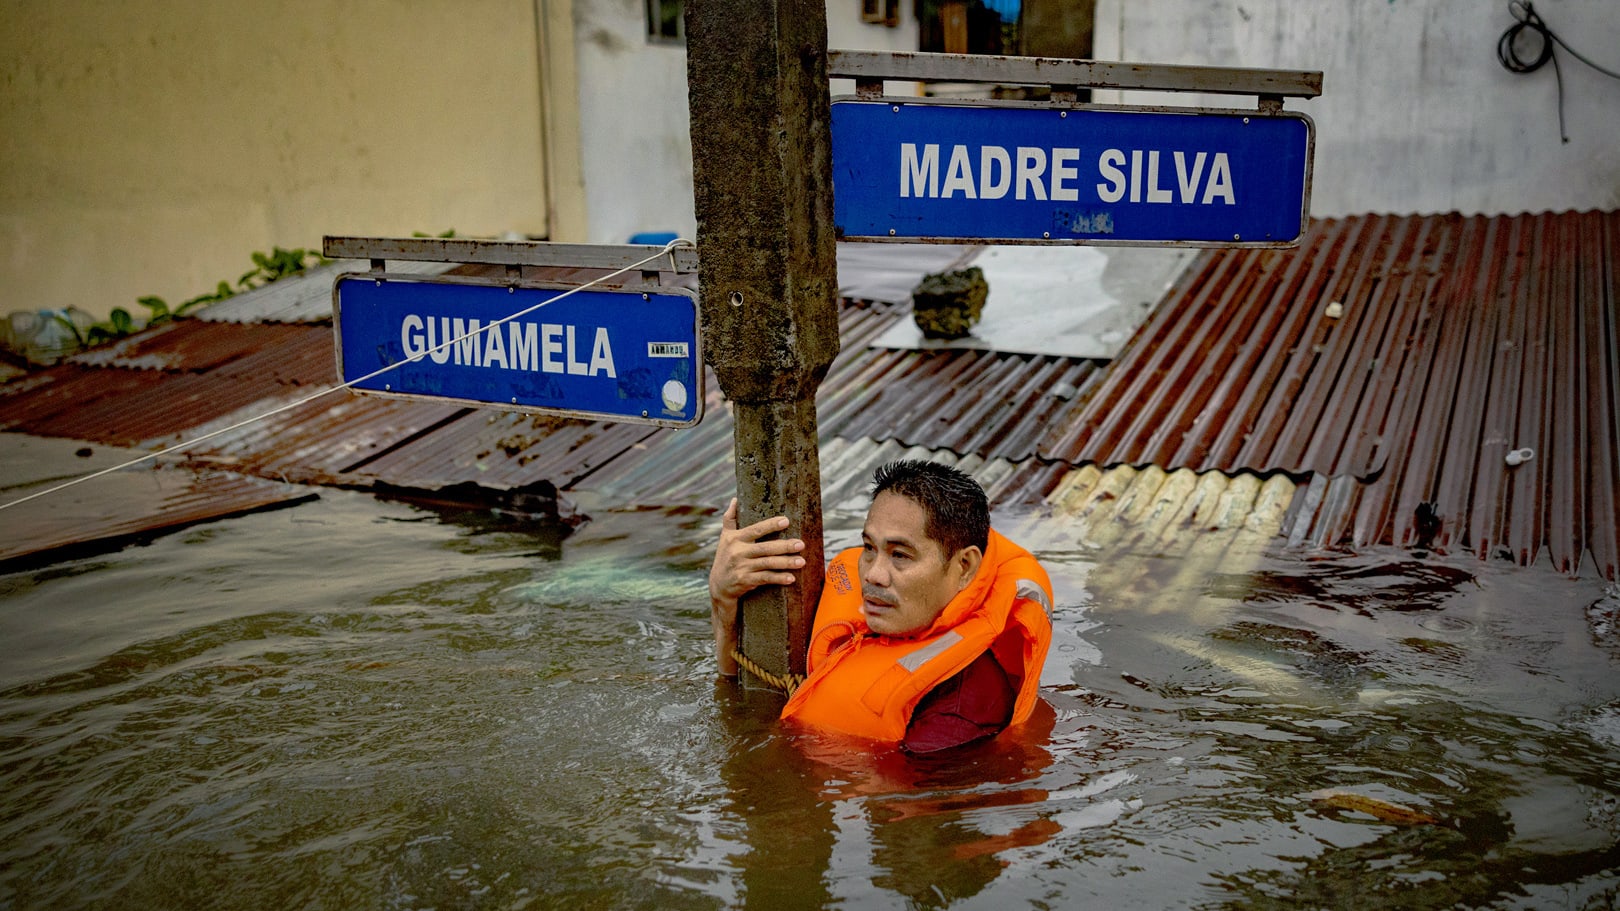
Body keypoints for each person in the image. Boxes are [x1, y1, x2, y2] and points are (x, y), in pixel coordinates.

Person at [709, 459, 1054, 753]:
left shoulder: (958, 709)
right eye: (869, 548)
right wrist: (723, 602)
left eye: (900, 555)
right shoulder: (863, 618)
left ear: (964, 567)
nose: (873, 575)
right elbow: (743, 685)